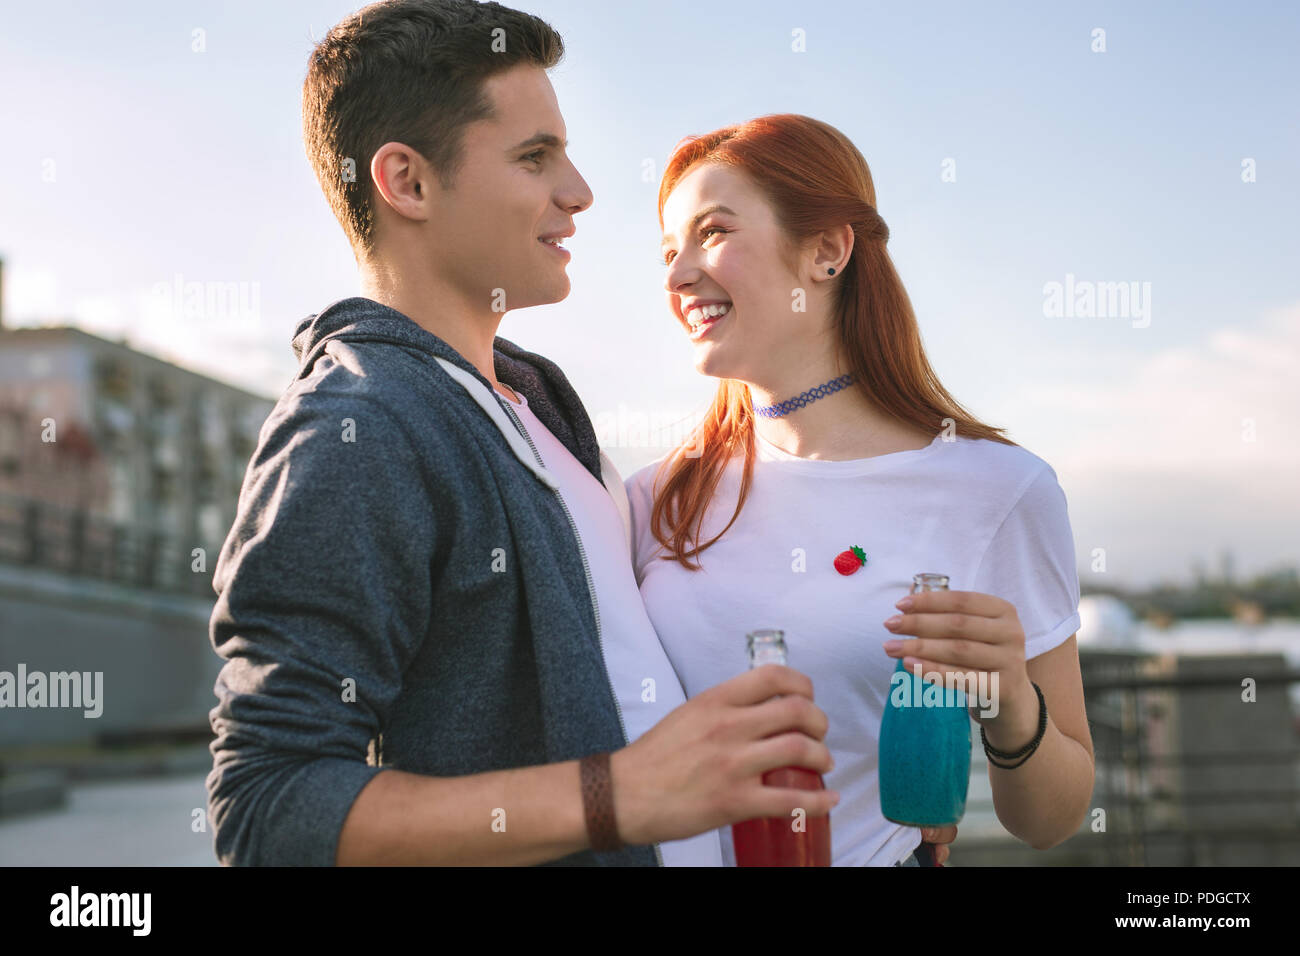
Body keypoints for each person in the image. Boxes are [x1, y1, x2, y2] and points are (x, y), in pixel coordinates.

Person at [205, 0, 844, 866]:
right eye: (535, 157)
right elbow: (267, 806)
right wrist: (619, 795)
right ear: (408, 182)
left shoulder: (532, 397)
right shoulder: (355, 427)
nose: (578, 191)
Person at [626, 114, 1097, 866]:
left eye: (712, 232)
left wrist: (1013, 708)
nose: (677, 275)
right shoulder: (652, 501)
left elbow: (1053, 819)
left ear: (828, 250)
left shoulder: (999, 490)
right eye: (668, 249)